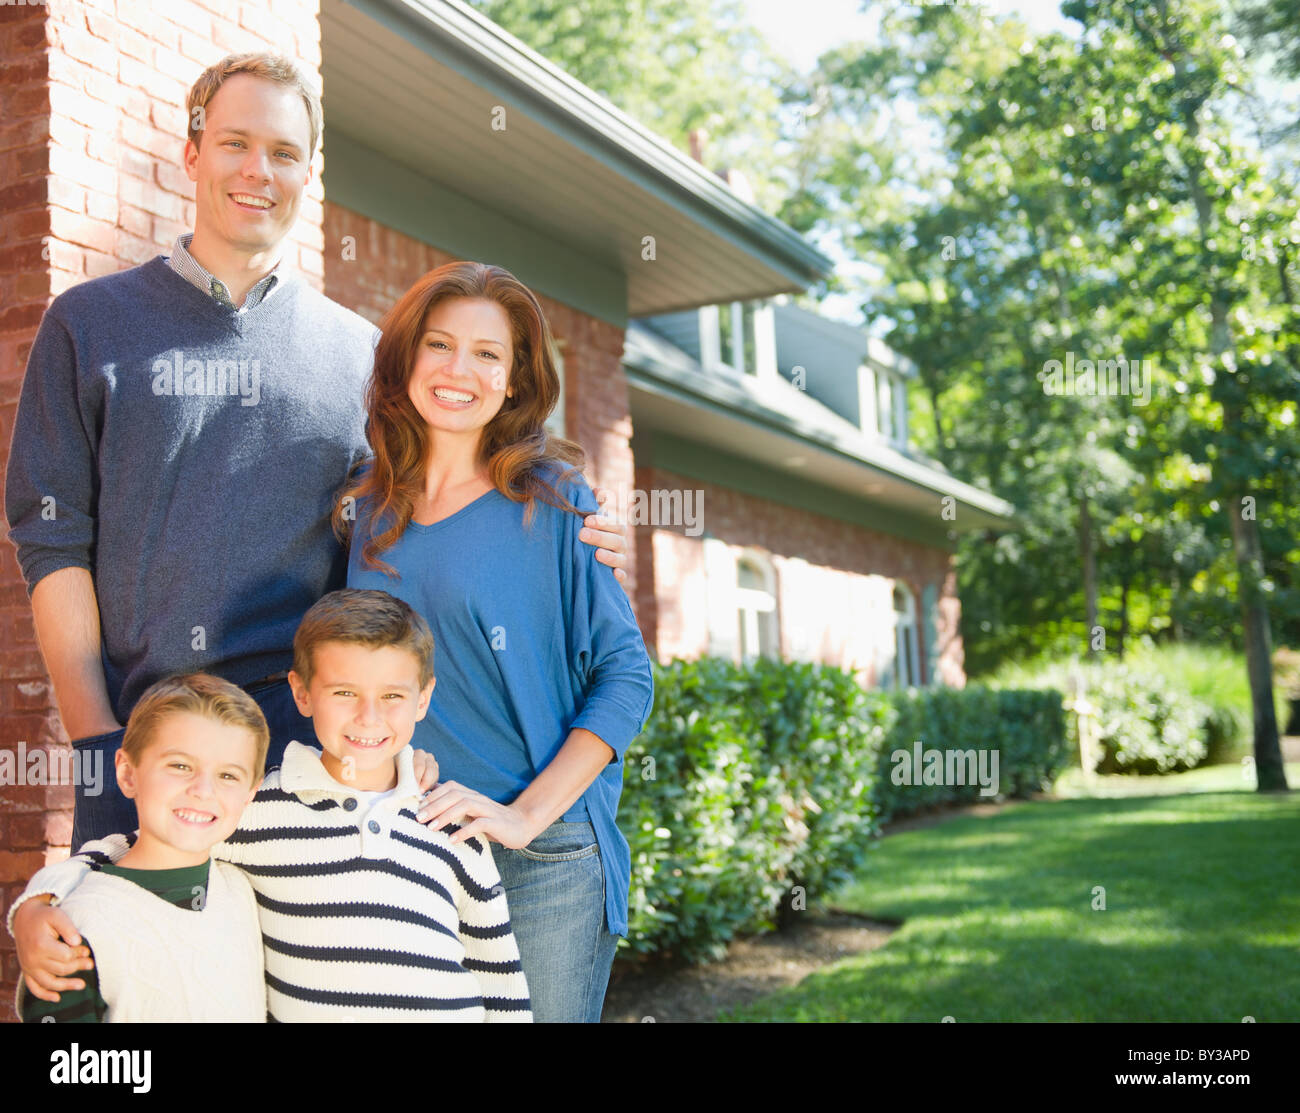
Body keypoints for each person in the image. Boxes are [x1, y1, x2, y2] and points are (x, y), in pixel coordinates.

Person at [3, 52, 629, 855]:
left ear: (309, 172)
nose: (258, 171)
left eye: (285, 153)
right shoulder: (88, 324)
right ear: (192, 153)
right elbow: (51, 542)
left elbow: (447, 487)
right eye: (235, 143)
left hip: (319, 760)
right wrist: (96, 740)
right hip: (150, 747)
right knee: (137, 974)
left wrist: (574, 513)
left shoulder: (363, 357)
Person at [340, 260, 655, 1022]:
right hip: (408, 845)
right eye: (439, 344)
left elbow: (627, 675)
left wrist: (525, 816)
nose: (460, 370)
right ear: (405, 360)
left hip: (540, 857)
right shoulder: (367, 505)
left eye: (488, 354)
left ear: (515, 380)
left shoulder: (552, 502)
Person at [10, 590, 533, 1022]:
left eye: (393, 697)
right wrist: (36, 905)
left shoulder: (452, 823)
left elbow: (500, 978)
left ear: (422, 699)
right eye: (345, 693)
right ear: (302, 695)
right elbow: (144, 845)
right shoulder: (257, 809)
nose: (370, 717)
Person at [19, 673, 267, 1023]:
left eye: (228, 775)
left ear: (251, 792)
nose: (202, 790)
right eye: (180, 766)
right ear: (127, 773)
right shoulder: (70, 932)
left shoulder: (240, 890)